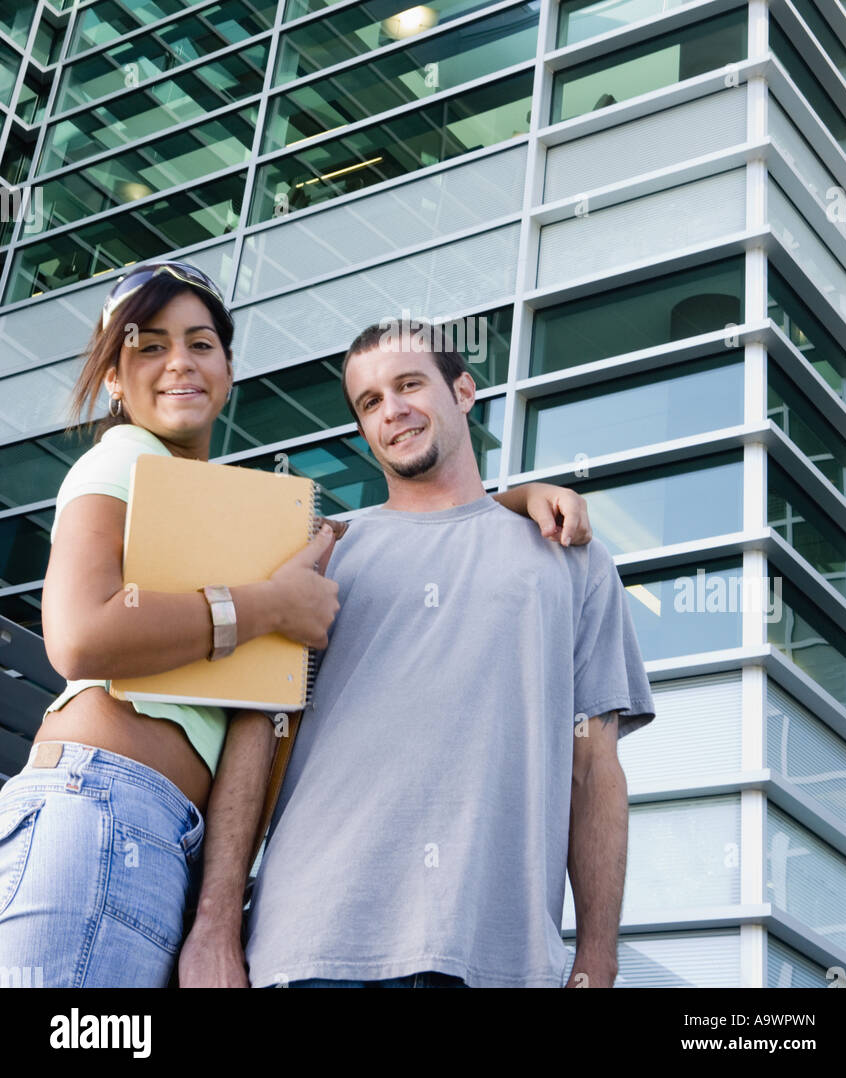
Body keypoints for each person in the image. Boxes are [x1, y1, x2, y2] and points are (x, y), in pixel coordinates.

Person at [0, 263, 590, 988]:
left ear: (227, 369)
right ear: (115, 381)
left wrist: (508, 503)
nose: (179, 362)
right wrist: (270, 608)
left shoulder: (213, 505)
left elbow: (409, 531)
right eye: (148, 347)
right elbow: (80, 634)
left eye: (201, 344)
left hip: (164, 834)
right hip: (102, 805)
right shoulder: (123, 457)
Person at [179, 322, 656, 990]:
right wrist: (215, 926)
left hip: (502, 959)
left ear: (463, 390)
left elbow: (594, 768)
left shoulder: (570, 558)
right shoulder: (323, 556)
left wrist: (597, 959)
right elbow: (256, 732)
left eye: (409, 385)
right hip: (312, 946)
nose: (392, 410)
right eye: (370, 402)